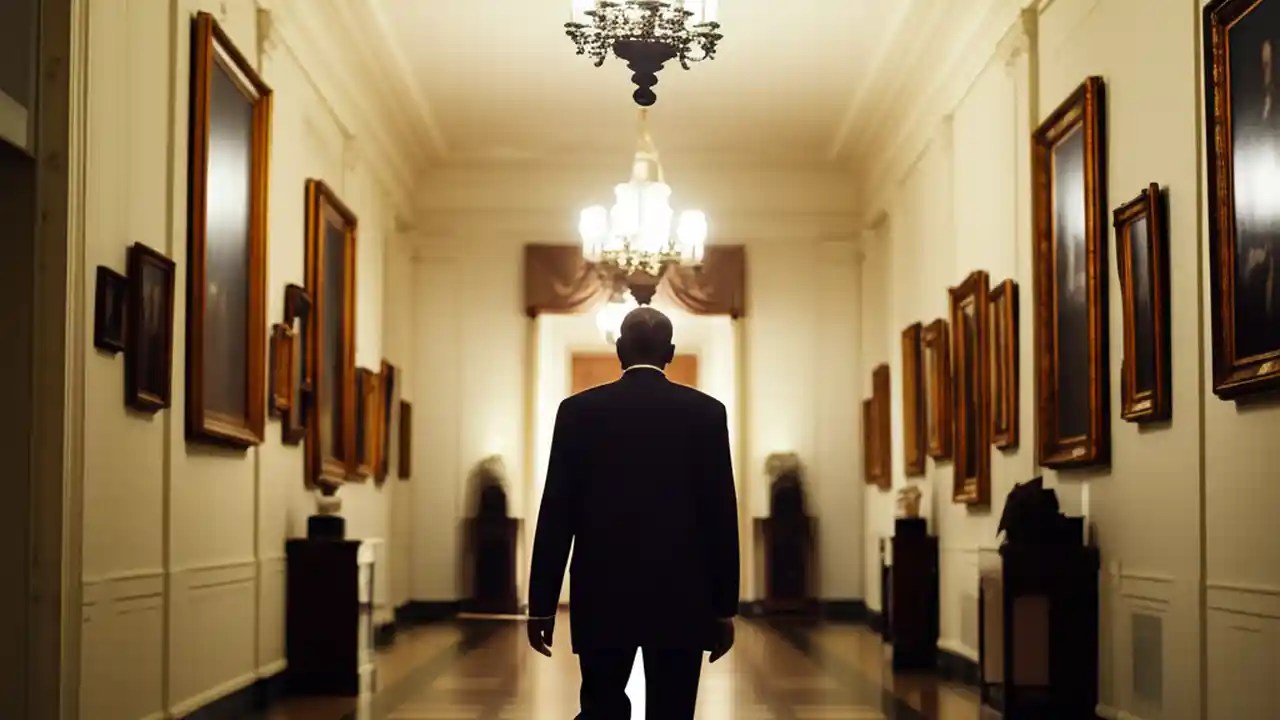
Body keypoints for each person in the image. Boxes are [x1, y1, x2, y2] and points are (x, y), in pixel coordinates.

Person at [527, 306, 740, 720]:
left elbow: (557, 511)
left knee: (601, 708)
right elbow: (720, 514)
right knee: (673, 711)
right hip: (682, 594)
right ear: (671, 352)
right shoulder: (706, 414)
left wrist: (542, 604)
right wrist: (723, 607)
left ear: (620, 349)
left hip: (602, 592)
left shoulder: (578, 412)